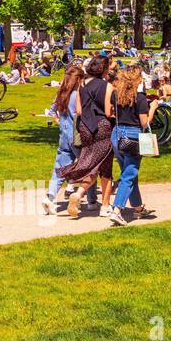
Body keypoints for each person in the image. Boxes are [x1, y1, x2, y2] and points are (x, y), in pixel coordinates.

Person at [56, 55, 115, 219]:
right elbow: (108, 111)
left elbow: (79, 111)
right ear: (104, 69)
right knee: (106, 169)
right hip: (103, 127)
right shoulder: (107, 86)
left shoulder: (81, 84)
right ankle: (105, 206)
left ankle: (79, 193)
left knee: (92, 163)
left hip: (85, 128)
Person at [103, 64, 157, 225]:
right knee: (129, 174)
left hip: (117, 134)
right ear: (137, 80)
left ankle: (138, 208)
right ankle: (117, 209)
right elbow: (144, 122)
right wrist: (153, 108)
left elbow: (110, 113)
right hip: (133, 135)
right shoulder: (140, 99)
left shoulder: (116, 95)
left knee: (129, 173)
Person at [43, 64, 85, 215]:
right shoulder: (77, 95)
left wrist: (58, 120)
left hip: (64, 135)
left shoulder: (61, 93)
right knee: (88, 166)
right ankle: (91, 200)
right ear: (78, 79)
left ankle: (50, 197)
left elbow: (52, 110)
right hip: (77, 135)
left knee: (59, 168)